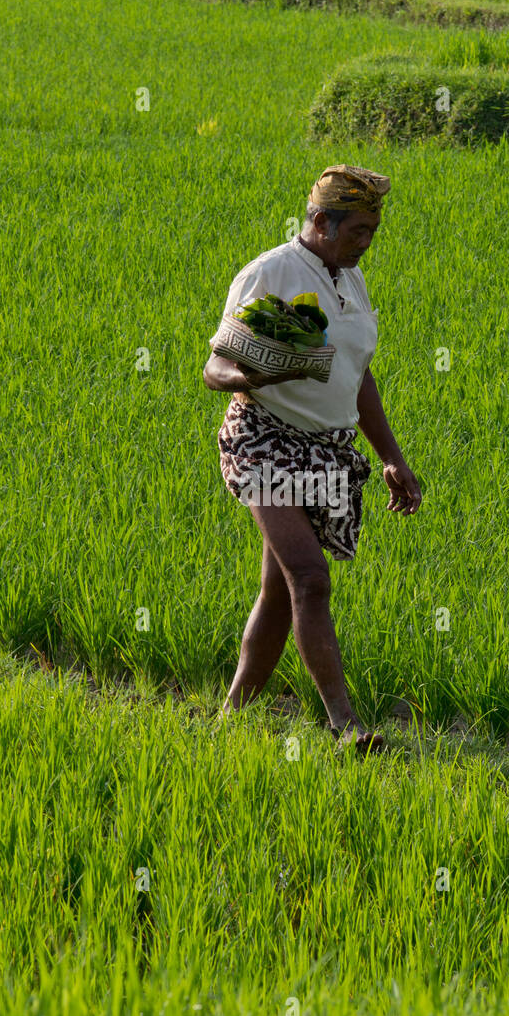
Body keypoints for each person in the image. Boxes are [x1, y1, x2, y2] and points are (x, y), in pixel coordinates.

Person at [203, 164, 422, 755]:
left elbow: (358, 374)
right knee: (309, 576)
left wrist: (391, 457)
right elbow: (216, 368)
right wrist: (256, 370)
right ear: (321, 222)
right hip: (264, 438)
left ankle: (230, 718)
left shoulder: (349, 280)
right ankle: (344, 723)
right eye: (358, 231)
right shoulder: (272, 273)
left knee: (281, 591)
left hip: (325, 448)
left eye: (373, 231)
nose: (367, 243)